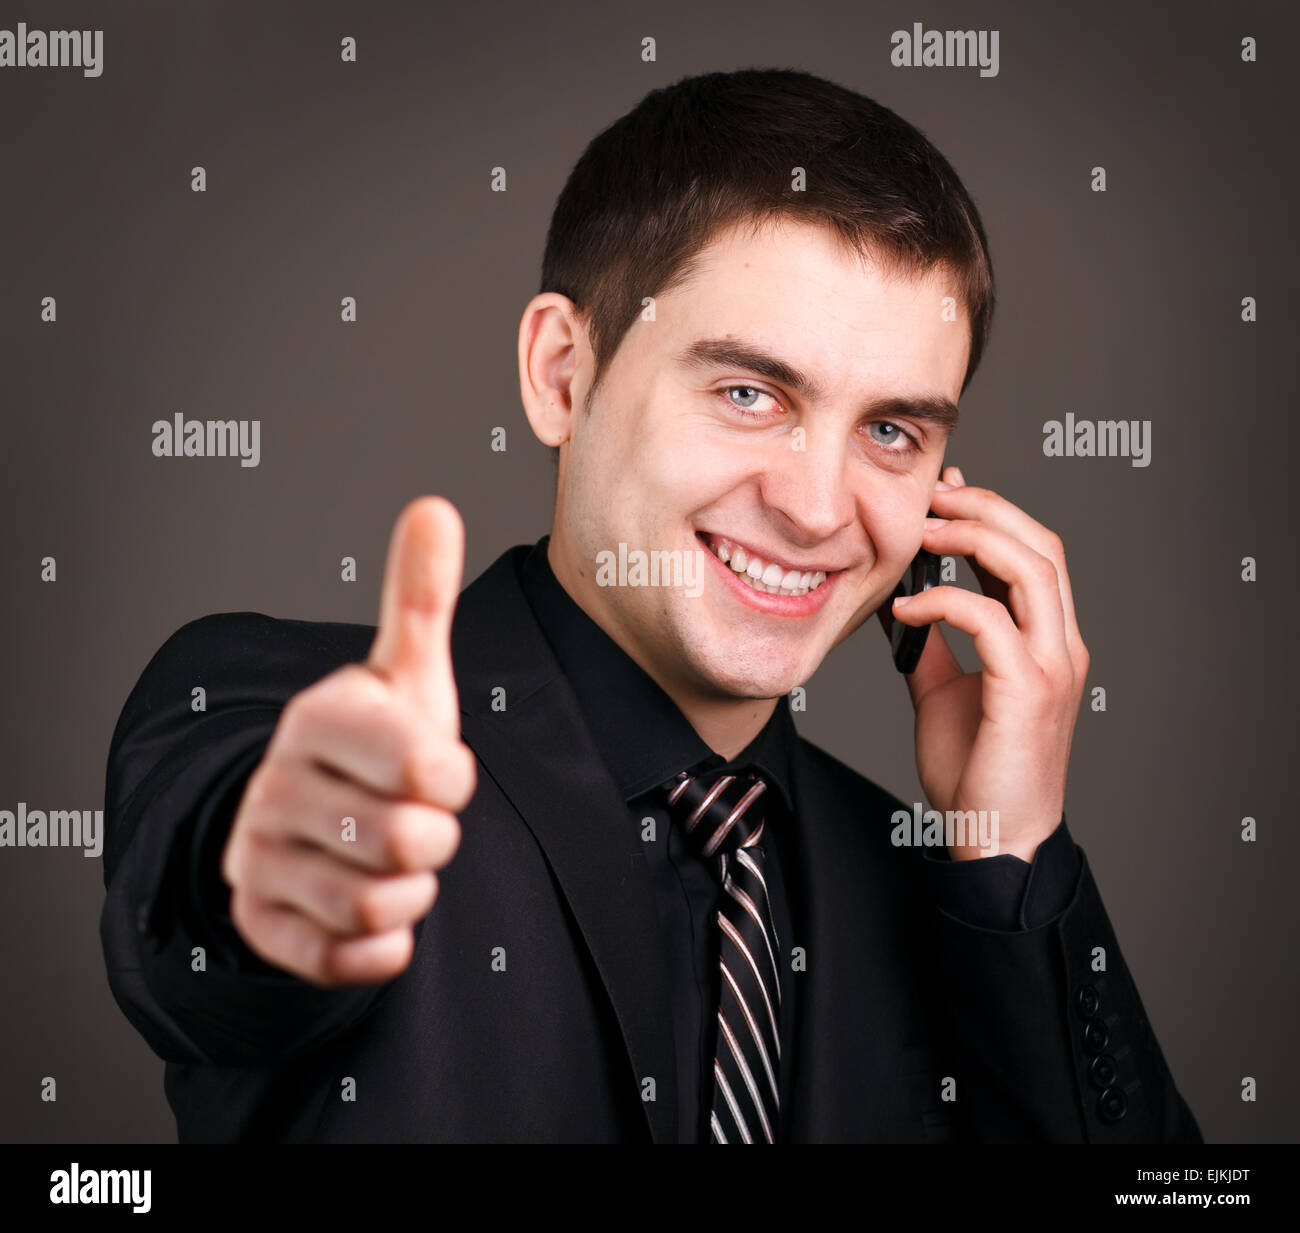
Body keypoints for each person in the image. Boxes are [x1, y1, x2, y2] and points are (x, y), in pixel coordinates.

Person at [101, 67, 1201, 1144]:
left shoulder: (939, 886)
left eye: (891, 432)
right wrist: (295, 865)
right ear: (561, 374)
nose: (819, 510)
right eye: (746, 393)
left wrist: (1008, 856)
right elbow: (216, 918)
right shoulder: (292, 721)